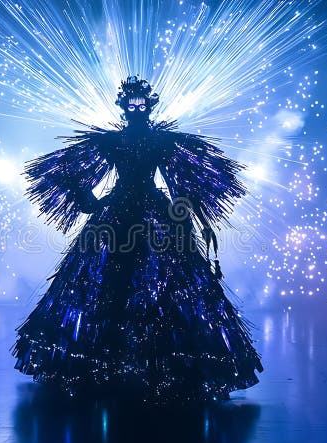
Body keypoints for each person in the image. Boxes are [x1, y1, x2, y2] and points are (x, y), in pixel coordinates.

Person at [13, 76, 263, 401]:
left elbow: (187, 184)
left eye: (140, 104)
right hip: (121, 214)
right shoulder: (114, 142)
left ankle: (154, 365)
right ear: (122, 106)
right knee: (111, 286)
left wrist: (191, 215)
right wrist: (91, 202)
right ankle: (111, 364)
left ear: (149, 105)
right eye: (130, 104)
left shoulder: (160, 142)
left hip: (144, 214)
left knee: (162, 288)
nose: (135, 109)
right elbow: (64, 172)